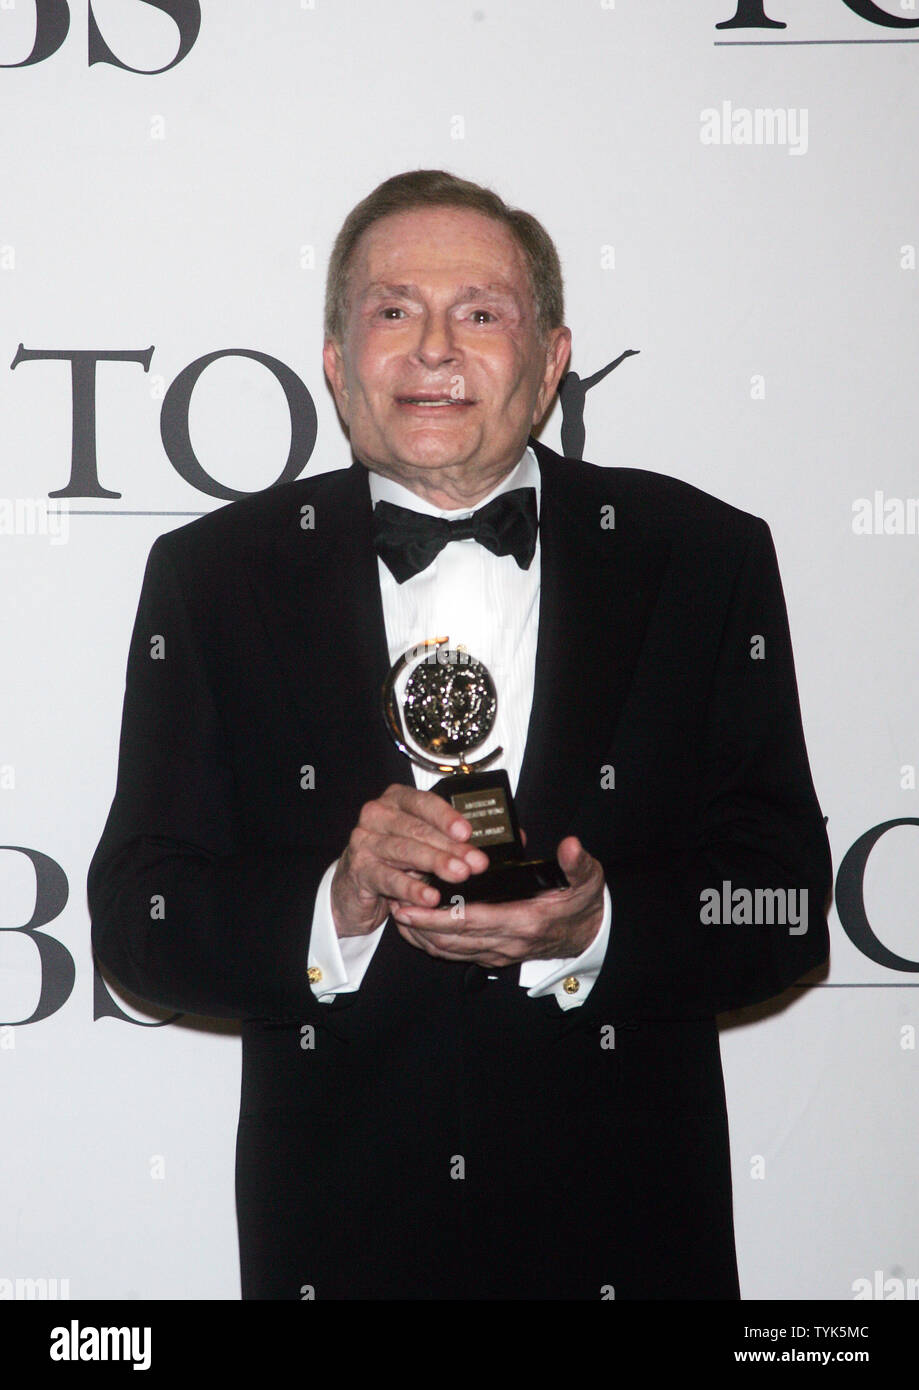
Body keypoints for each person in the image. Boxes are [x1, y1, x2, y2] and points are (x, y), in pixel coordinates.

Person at [88, 169, 831, 1301]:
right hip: (338, 1251)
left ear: (550, 361)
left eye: (480, 313)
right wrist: (332, 903)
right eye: (392, 311)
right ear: (338, 362)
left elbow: (782, 902)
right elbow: (141, 918)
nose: (434, 349)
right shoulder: (214, 577)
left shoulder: (700, 557)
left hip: (634, 1245)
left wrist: (597, 926)